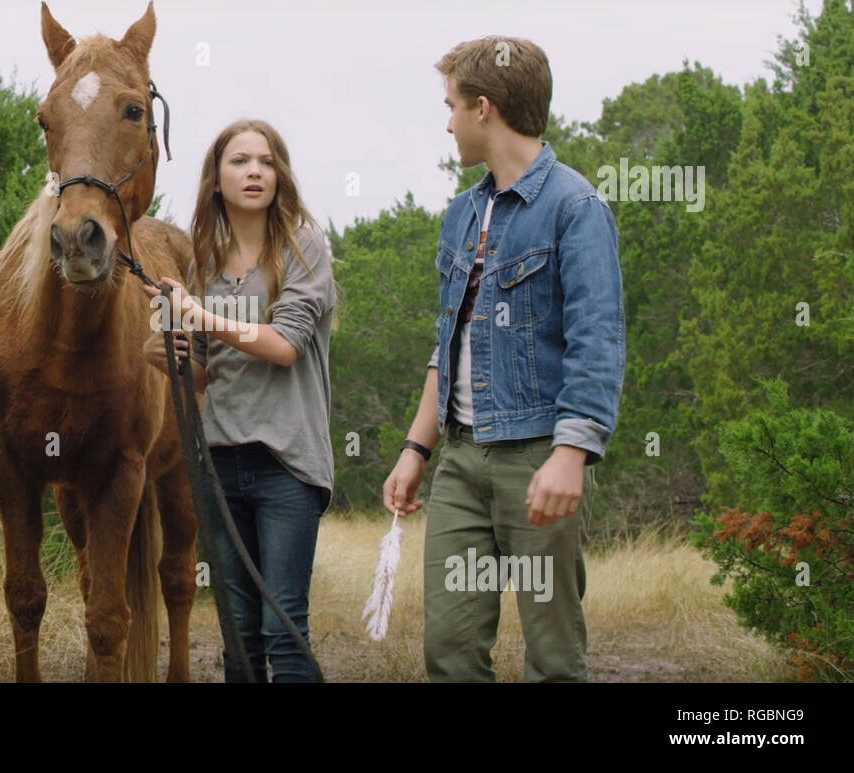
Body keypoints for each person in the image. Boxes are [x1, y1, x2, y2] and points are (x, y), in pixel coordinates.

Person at [382, 37, 625, 682]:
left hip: (538, 455)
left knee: (551, 658)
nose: (447, 122)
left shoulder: (578, 208)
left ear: (483, 108)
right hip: (460, 461)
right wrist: (416, 448)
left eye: (451, 106)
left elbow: (598, 339)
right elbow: (449, 341)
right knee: (451, 652)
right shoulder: (461, 215)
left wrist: (571, 453)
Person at [140, 119, 338, 683]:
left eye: (267, 161)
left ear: (281, 175)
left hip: (287, 465)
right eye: (240, 161)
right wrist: (170, 354)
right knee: (238, 637)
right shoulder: (203, 260)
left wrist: (199, 316)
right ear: (216, 178)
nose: (255, 171)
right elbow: (208, 372)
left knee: (283, 627)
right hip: (219, 463)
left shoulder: (303, 246)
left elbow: (283, 347)